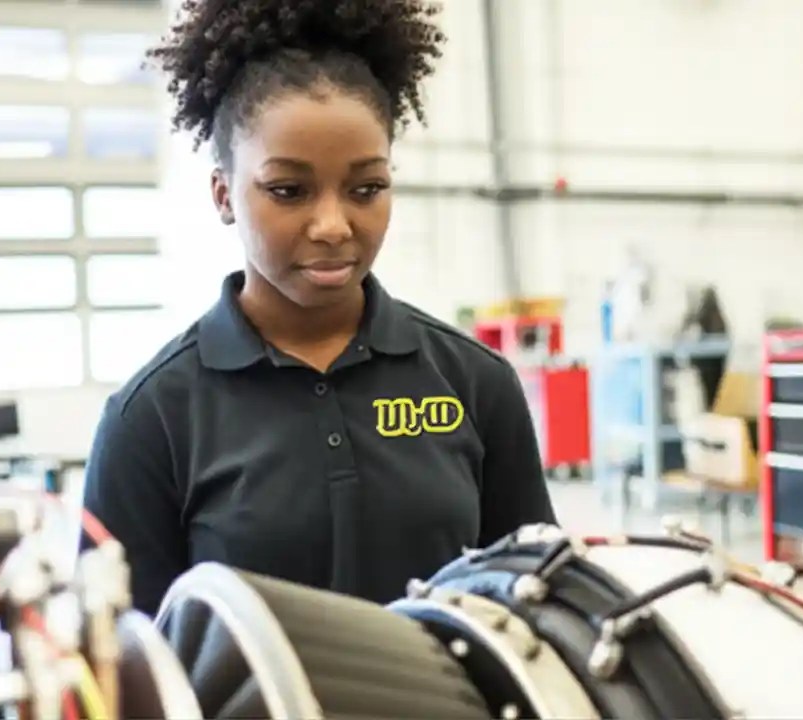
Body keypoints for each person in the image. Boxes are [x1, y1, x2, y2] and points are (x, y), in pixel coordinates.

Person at [82, 0, 557, 616]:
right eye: (288, 190)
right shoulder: (151, 420)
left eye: (366, 189)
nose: (333, 225)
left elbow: (534, 602)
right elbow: (124, 670)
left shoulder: (476, 384)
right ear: (225, 194)